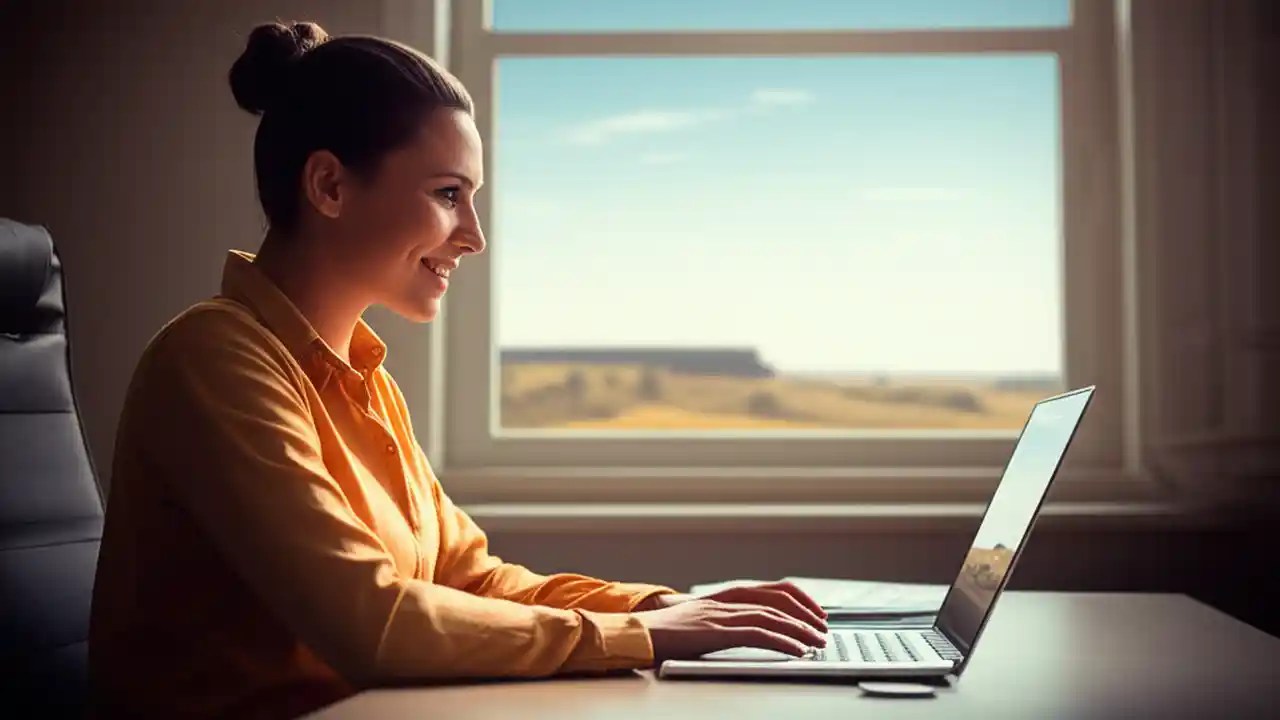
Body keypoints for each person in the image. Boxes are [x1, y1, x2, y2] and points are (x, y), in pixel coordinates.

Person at [88, 21, 828, 719]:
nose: (474, 235)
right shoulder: (214, 360)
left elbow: (470, 579)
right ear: (330, 186)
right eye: (448, 195)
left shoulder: (366, 382)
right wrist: (644, 639)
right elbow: (372, 623)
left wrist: (657, 607)